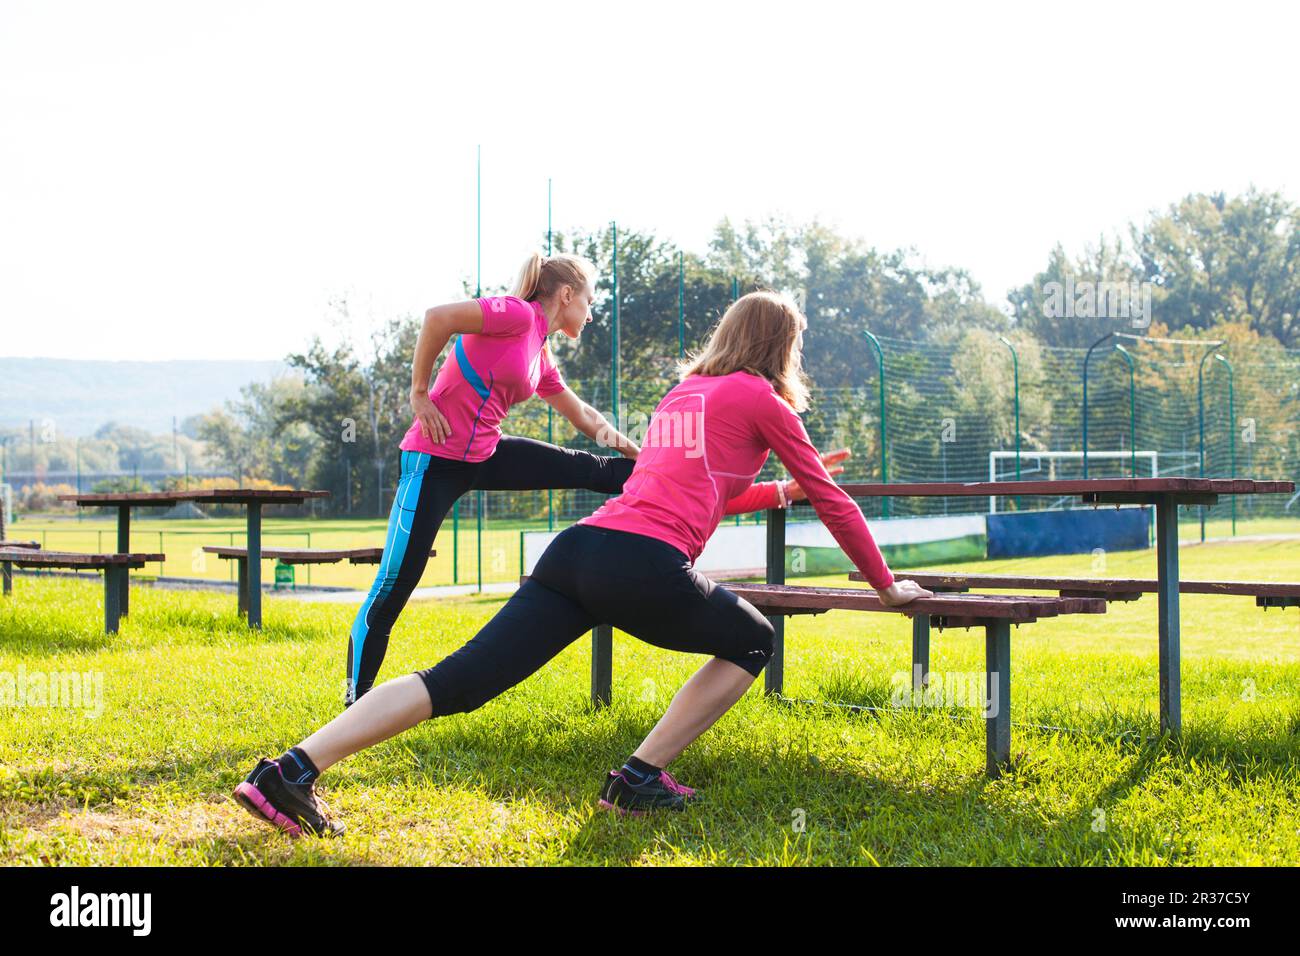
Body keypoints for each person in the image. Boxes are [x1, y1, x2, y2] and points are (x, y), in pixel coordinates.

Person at [235, 290, 931, 835]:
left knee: (457, 681)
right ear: (781, 346)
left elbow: (691, 489)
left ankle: (289, 770)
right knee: (753, 636)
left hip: (577, 553)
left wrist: (776, 490)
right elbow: (833, 498)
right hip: (641, 563)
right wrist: (885, 584)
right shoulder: (760, 396)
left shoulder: (685, 394)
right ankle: (637, 778)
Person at [344, 252, 641, 704]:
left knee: (587, 466)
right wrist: (419, 393)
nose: (591, 311)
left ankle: (652, 478)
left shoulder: (539, 351)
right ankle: (355, 704)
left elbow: (581, 413)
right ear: (566, 295)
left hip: (485, 453)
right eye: (589, 300)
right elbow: (437, 318)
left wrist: (636, 451)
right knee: (393, 587)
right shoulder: (516, 315)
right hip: (433, 461)